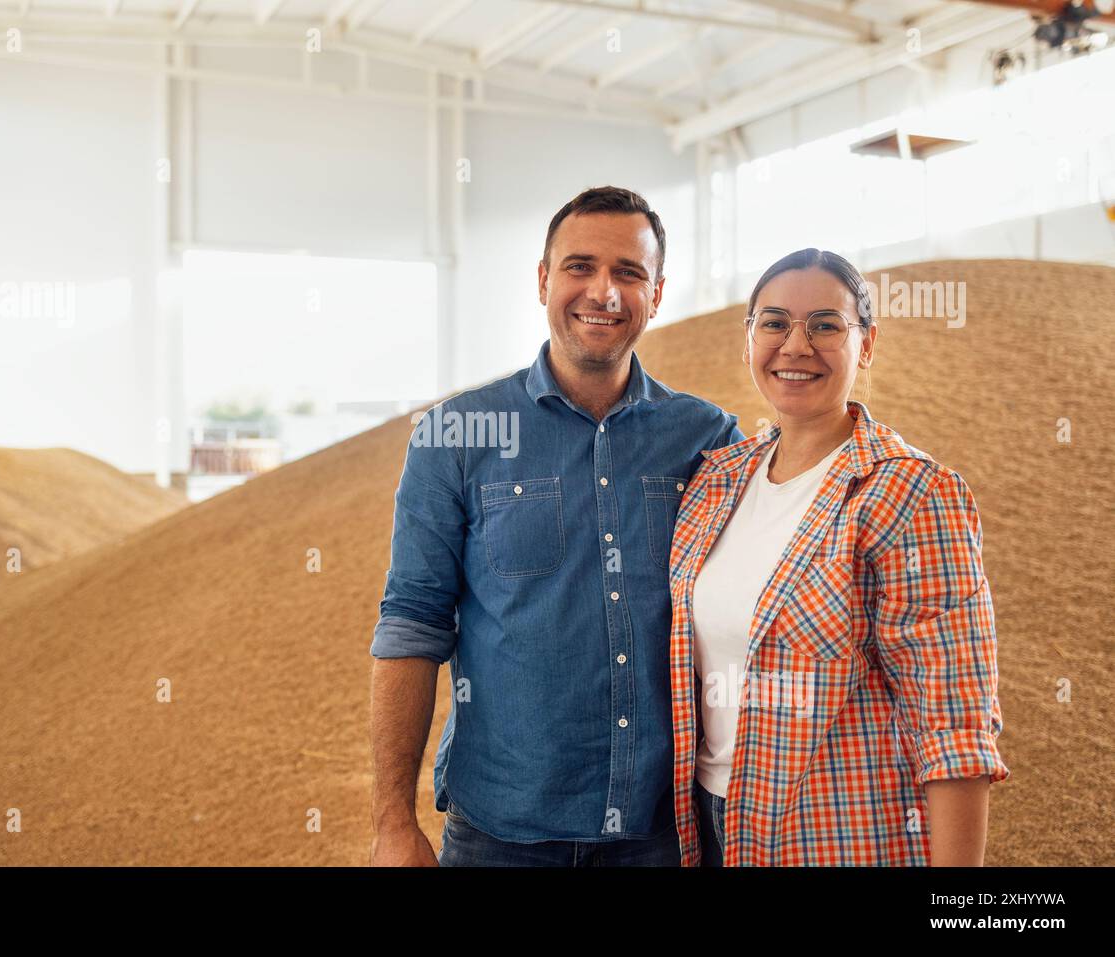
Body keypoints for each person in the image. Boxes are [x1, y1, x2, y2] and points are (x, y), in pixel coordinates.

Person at [368, 185, 743, 866]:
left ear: (657, 293)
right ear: (543, 280)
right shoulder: (456, 433)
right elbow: (411, 623)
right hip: (499, 834)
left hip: (659, 832)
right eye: (580, 266)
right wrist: (394, 821)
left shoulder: (710, 437)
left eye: (629, 272)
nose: (603, 291)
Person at [668, 248, 1009, 866]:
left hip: (840, 838)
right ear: (749, 341)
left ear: (867, 343)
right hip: (710, 828)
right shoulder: (718, 478)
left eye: (825, 325)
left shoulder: (911, 493)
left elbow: (953, 721)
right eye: (774, 323)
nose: (796, 345)